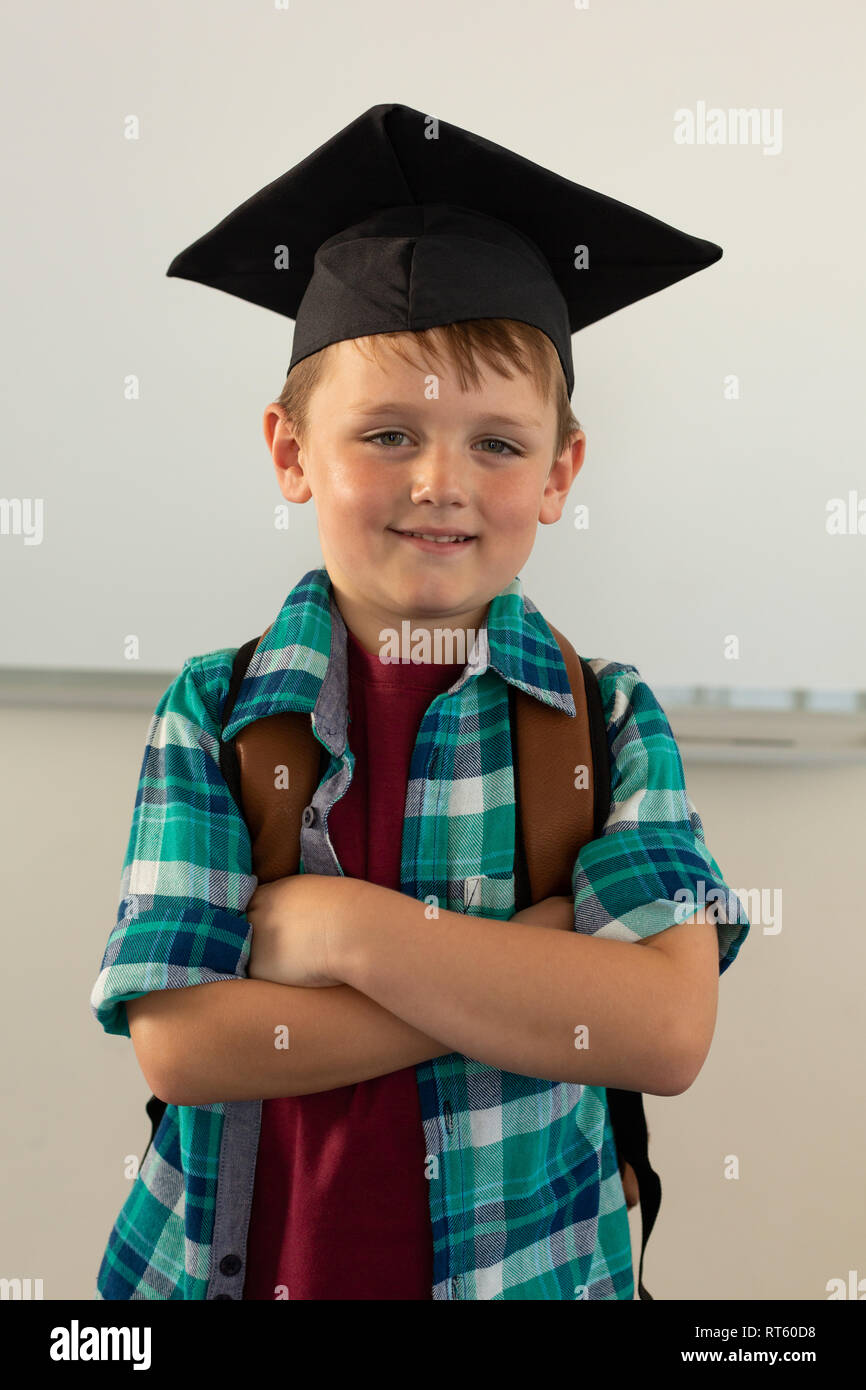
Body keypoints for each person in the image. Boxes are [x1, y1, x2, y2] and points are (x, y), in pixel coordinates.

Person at [89, 103, 750, 1300]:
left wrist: (344, 931)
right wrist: (536, 982)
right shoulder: (217, 713)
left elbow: (663, 1034)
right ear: (291, 453)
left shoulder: (605, 723)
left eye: (497, 444)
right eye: (387, 433)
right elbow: (183, 1044)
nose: (440, 482)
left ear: (559, 474)